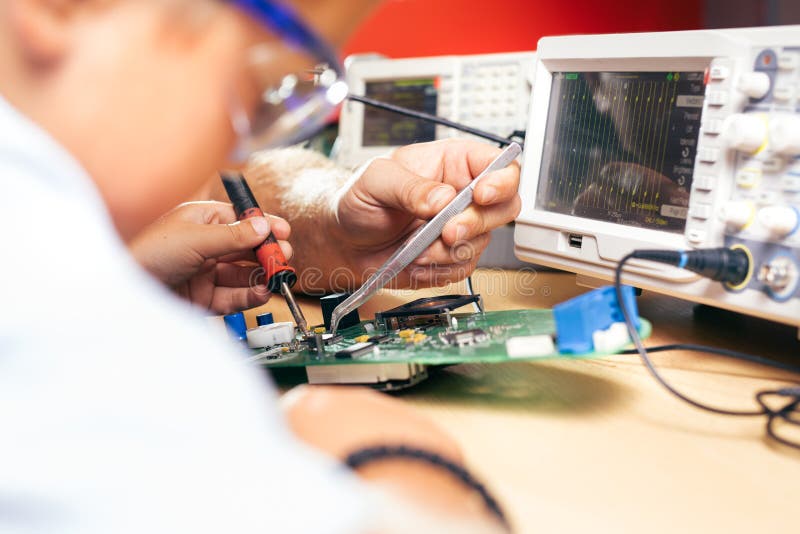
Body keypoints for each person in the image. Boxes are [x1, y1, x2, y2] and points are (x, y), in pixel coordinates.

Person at [0, 0, 521, 532]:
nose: (235, 161)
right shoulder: (75, 346)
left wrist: (330, 221)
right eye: (252, 91)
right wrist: (400, 459)